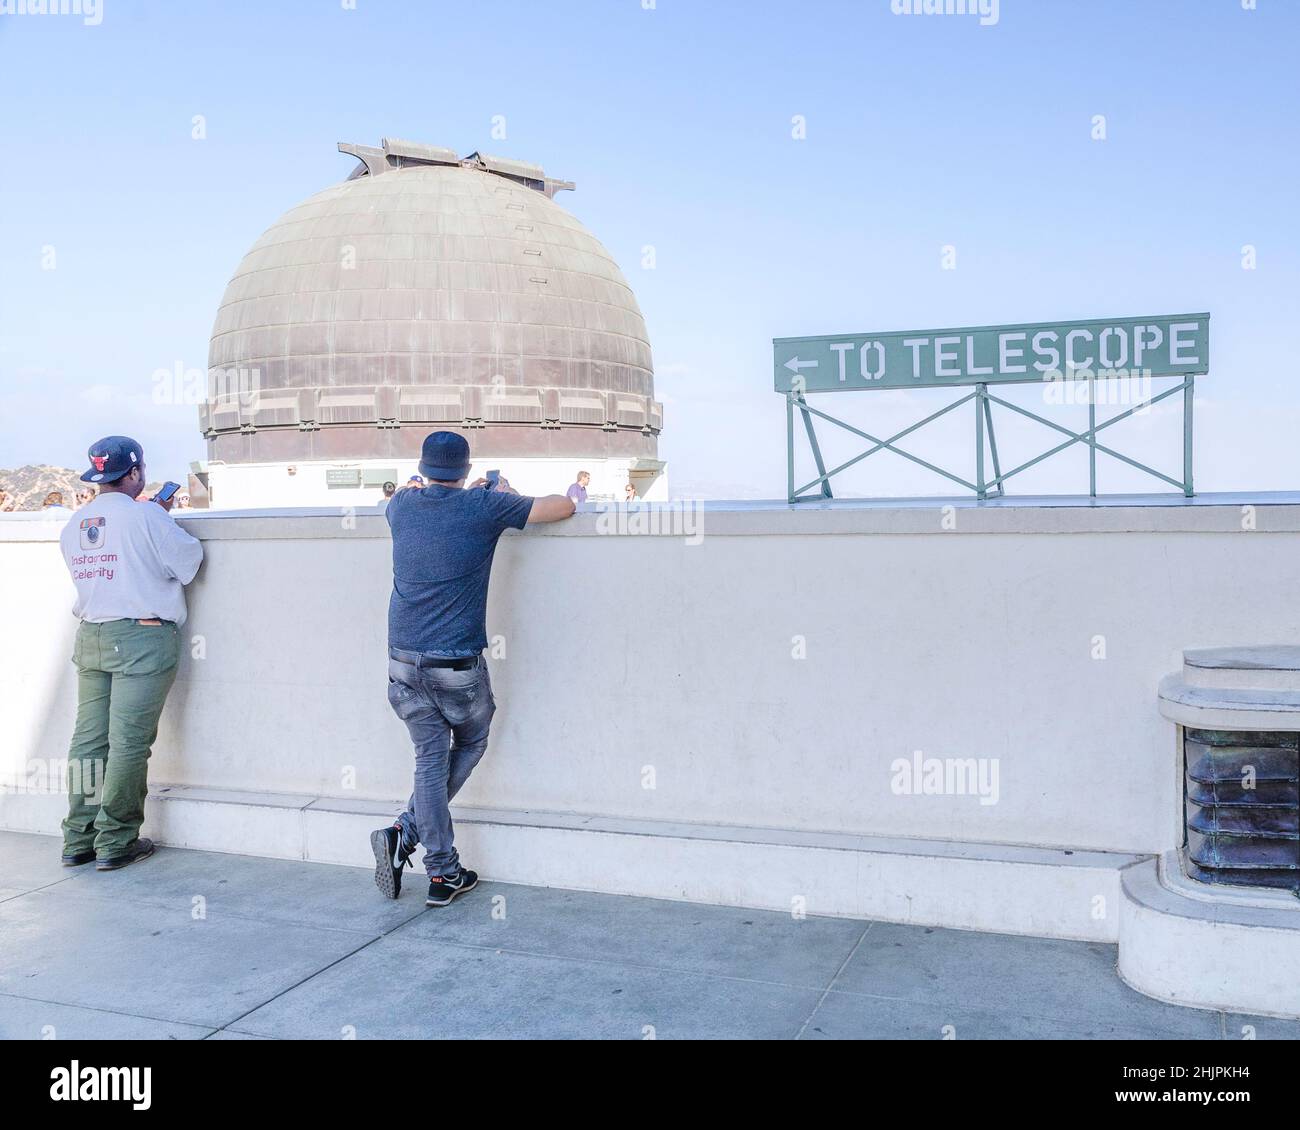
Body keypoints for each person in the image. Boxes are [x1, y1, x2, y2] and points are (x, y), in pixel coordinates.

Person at [371, 431, 575, 906]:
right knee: (472, 740)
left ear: (423, 467)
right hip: (455, 668)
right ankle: (414, 840)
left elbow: (411, 495)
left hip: (401, 662)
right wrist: (503, 494)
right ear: (466, 469)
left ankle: (437, 866)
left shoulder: (400, 507)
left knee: (428, 759)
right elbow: (563, 505)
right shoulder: (484, 508)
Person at [57, 436, 203, 871]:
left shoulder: (74, 525)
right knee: (127, 745)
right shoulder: (146, 518)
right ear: (135, 473)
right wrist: (160, 517)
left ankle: (78, 838)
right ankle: (116, 840)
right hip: (140, 638)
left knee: (87, 742)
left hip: (91, 635)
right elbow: (189, 563)